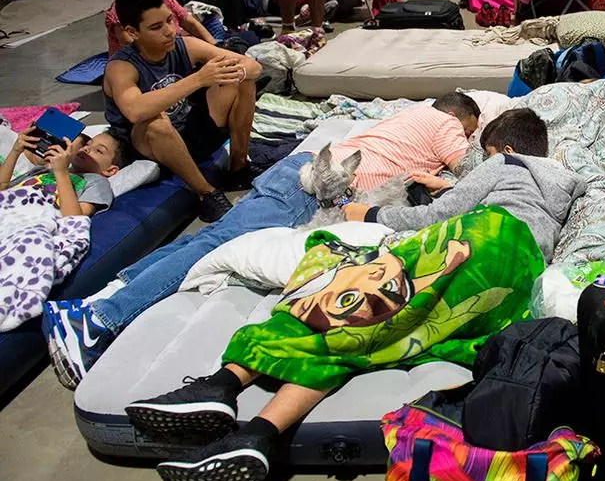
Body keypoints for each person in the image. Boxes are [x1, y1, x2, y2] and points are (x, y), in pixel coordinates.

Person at [43, 93, 483, 389]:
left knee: (210, 239)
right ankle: (101, 320)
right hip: (312, 187)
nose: (464, 135)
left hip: (298, 173)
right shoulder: (444, 123)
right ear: (458, 117)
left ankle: (100, 298)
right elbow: (470, 170)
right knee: (212, 248)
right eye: (468, 128)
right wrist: (464, 154)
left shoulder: (404, 118)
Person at [125, 201, 544, 481]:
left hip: (484, 230)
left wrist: (370, 213)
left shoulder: (497, 166)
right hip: (521, 272)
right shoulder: (571, 186)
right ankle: (256, 435)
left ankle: (221, 385)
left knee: (336, 311)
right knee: (357, 339)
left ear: (496, 146)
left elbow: (433, 214)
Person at [344, 108, 583, 261]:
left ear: (508, 150)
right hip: (529, 261)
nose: (487, 161)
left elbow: (438, 216)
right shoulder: (560, 180)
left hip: (487, 245)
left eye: (488, 155)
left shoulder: (504, 161)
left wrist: (371, 214)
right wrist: (449, 190)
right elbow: (518, 202)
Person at [103, 0, 259, 221]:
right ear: (132, 32)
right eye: (156, 28)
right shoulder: (121, 67)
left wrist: (238, 70)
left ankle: (238, 167)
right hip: (152, 148)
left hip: (193, 131)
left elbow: (254, 66)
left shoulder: (185, 45)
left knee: (242, 80)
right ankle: (207, 194)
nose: (169, 31)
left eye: (169, 21)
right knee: (156, 121)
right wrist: (198, 79)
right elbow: (135, 111)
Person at [1, 131, 126, 218]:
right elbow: (2, 189)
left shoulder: (96, 182)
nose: (86, 149)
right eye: (87, 144)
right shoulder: (42, 170)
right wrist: (15, 151)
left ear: (110, 170)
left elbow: (73, 218)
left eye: (99, 150)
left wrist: (61, 172)